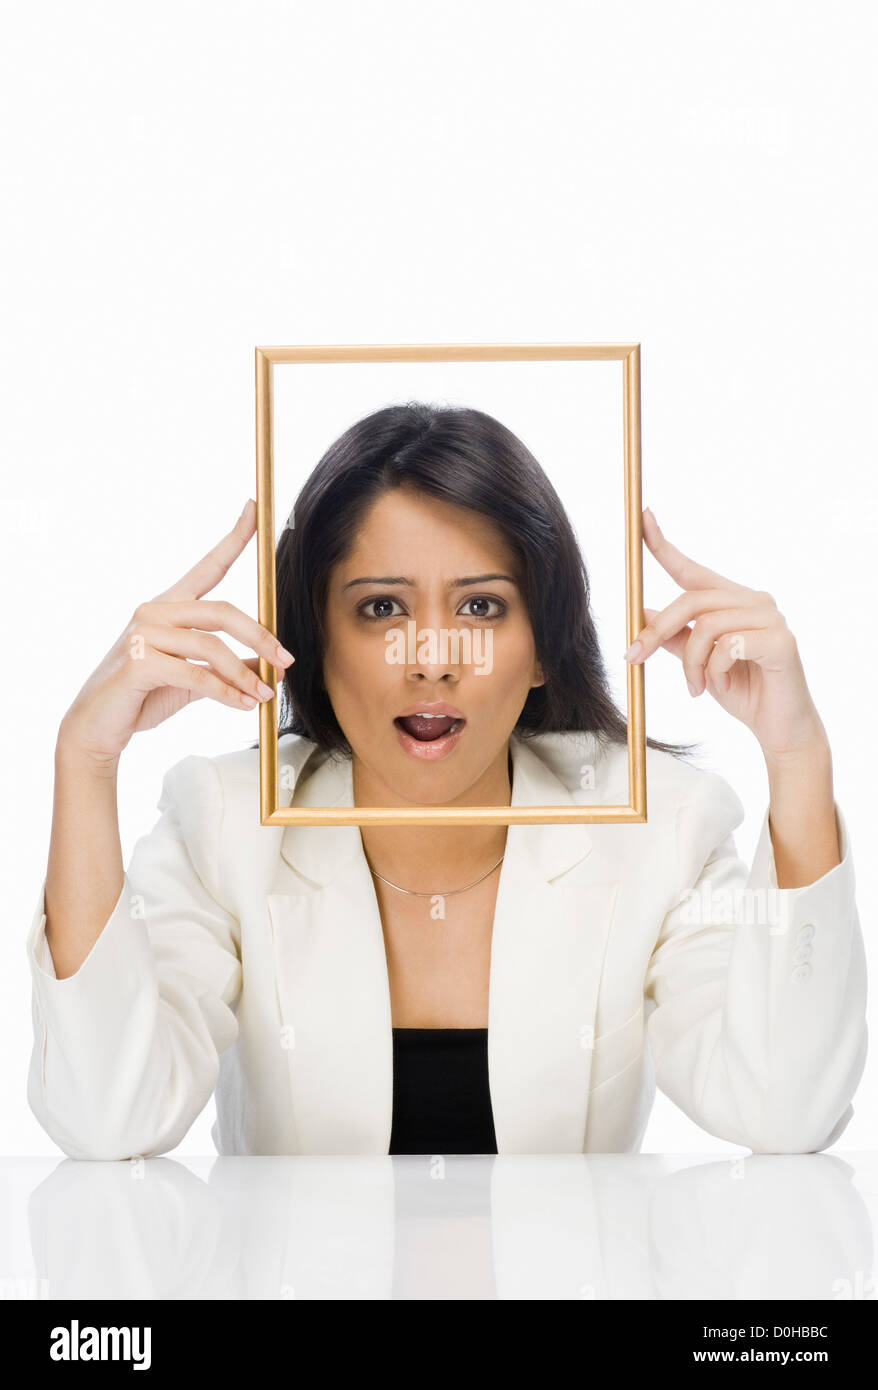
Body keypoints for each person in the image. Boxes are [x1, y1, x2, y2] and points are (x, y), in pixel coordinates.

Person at [26, 403, 867, 1159]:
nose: (431, 660)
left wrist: (797, 756)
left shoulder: (655, 825)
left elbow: (785, 1110)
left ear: (543, 645)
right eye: (382, 608)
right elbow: (107, 1118)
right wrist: (84, 758)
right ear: (319, 639)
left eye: (480, 608)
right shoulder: (226, 822)